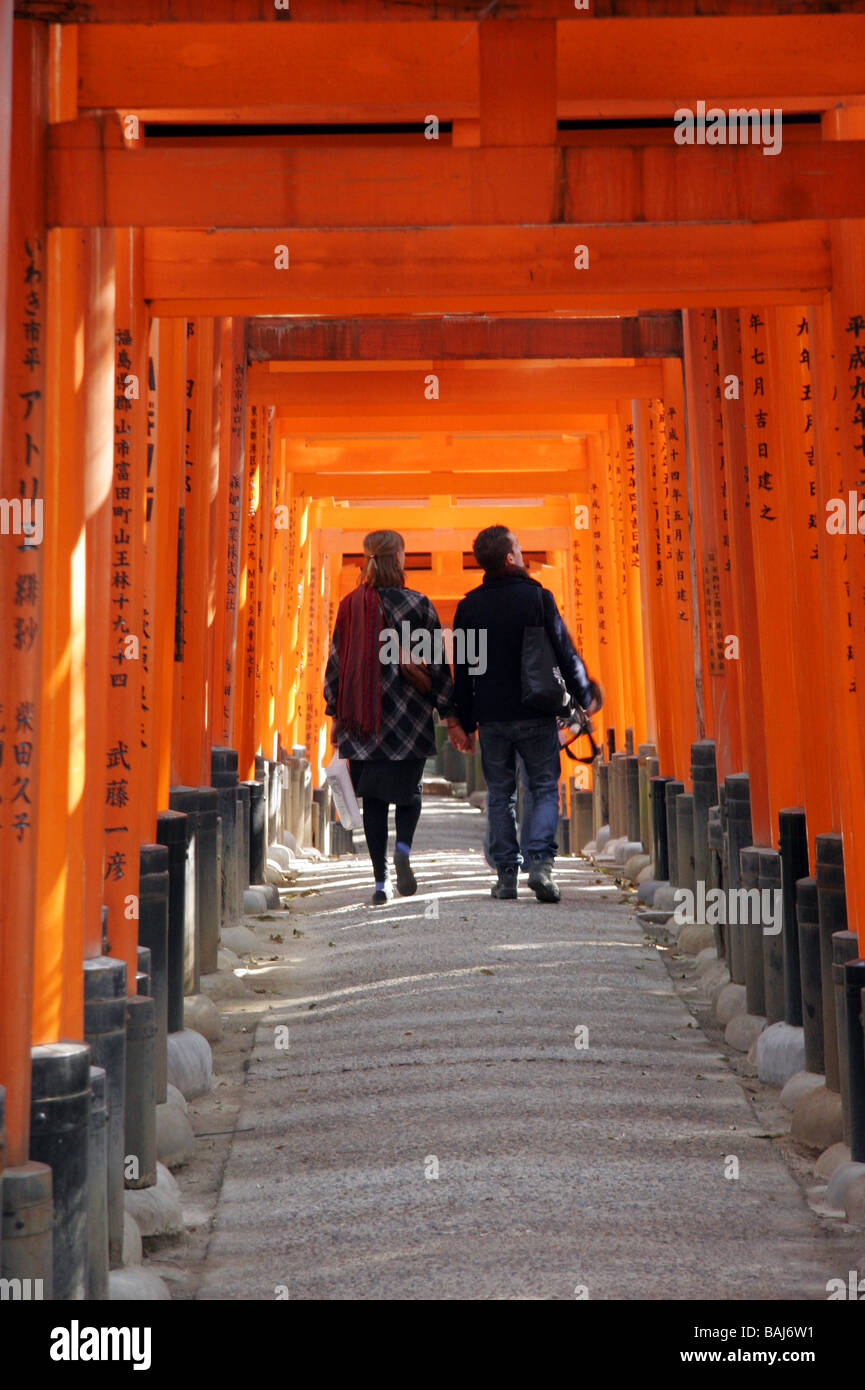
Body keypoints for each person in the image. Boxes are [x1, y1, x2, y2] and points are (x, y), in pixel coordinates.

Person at [450, 525, 601, 904]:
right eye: (518, 547)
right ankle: (541, 865)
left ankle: (505, 876)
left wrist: (465, 723)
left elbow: (464, 671)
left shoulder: (469, 607)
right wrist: (584, 694)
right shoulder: (537, 599)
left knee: (500, 793)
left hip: (493, 718)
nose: (522, 552)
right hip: (536, 711)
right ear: (509, 557)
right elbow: (564, 652)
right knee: (543, 786)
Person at [324, 530, 458, 906]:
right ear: (399, 559)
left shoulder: (350, 605)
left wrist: (334, 710)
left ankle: (380, 881)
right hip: (408, 719)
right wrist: (449, 713)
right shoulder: (418, 605)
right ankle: (403, 849)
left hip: (362, 720)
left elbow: (337, 662)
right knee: (408, 794)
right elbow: (436, 667)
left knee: (375, 803)